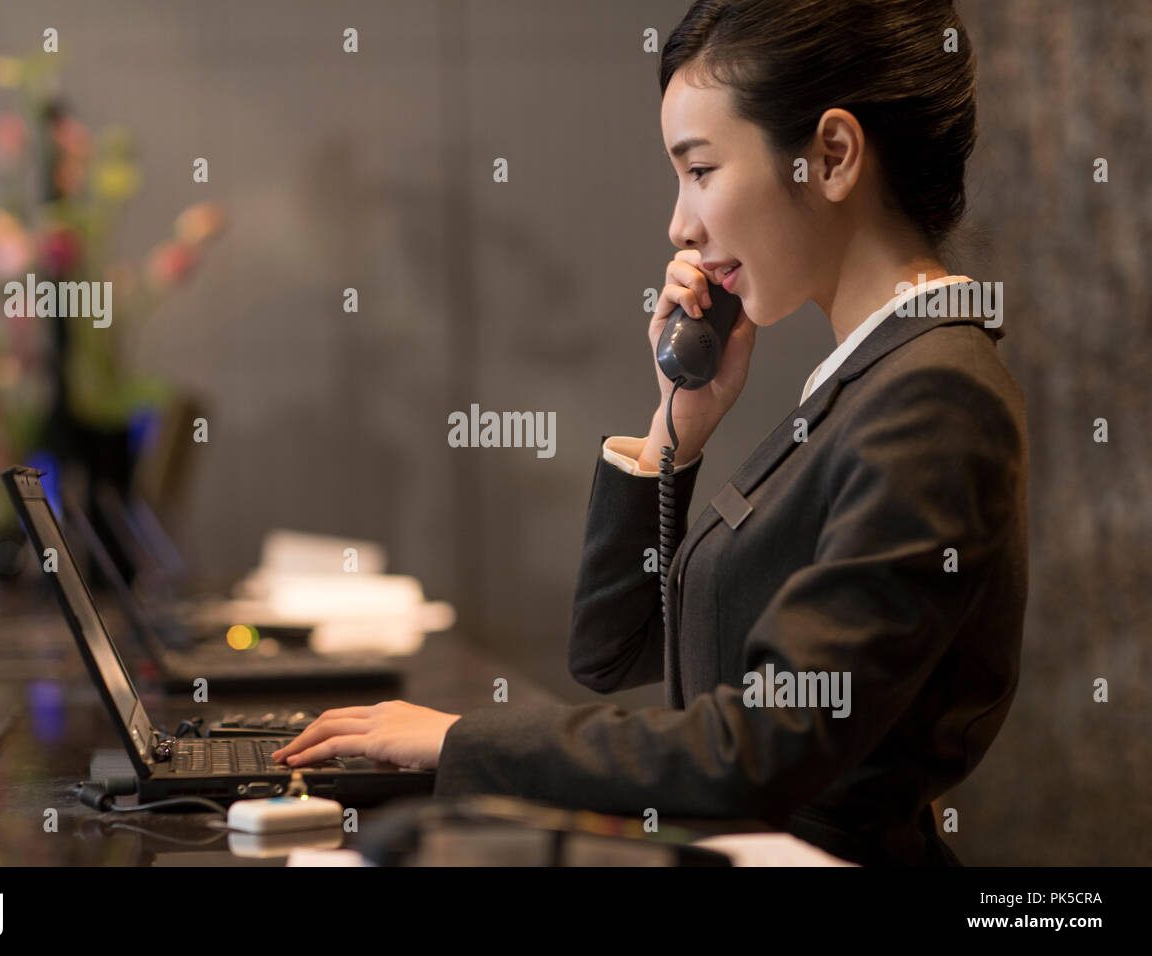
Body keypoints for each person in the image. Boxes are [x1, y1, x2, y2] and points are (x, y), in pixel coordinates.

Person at [272, 0, 1027, 867]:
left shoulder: (932, 395)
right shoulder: (865, 382)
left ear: (831, 155)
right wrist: (675, 430)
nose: (680, 225)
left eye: (700, 169)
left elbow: (761, 747)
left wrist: (459, 742)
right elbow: (613, 647)